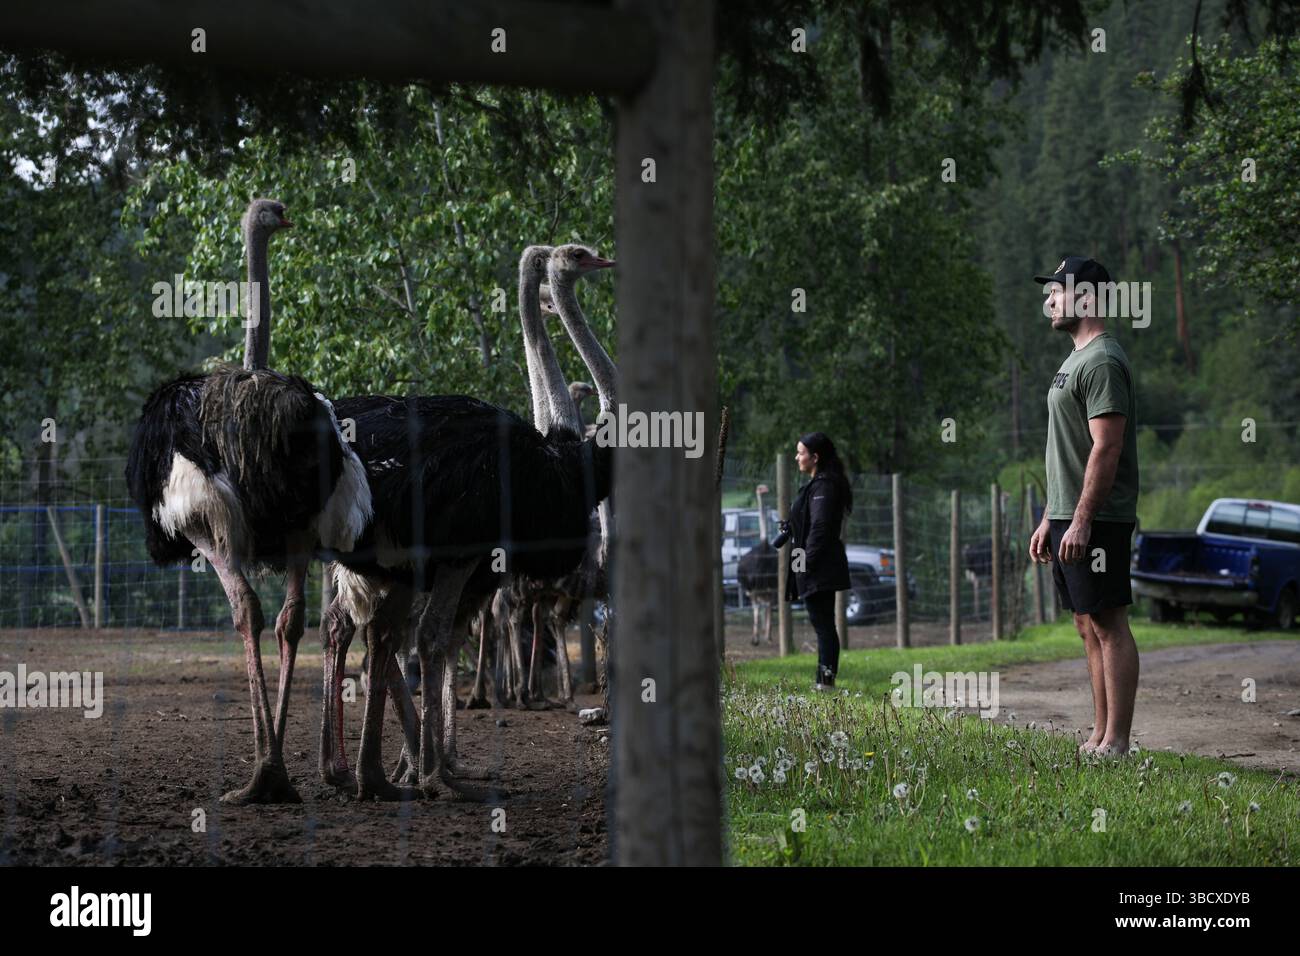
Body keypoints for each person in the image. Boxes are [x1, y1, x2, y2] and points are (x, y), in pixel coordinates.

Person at [1027, 256, 1141, 758]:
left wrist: (1080, 518)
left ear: (1087, 298)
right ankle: (1098, 732)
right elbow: (1068, 449)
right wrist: (1050, 517)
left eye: (1057, 291)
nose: (1048, 301)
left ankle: (1117, 739)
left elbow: (1106, 447)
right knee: (1085, 621)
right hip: (1066, 514)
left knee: (1109, 623)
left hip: (1098, 518)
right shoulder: (1075, 360)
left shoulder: (1102, 361)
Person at [780, 431, 852, 690]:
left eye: (801, 452)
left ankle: (826, 682)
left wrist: (805, 563)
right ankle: (824, 680)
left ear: (815, 457)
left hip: (817, 565)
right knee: (823, 623)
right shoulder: (820, 484)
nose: (797, 457)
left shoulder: (824, 486)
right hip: (813, 562)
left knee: (823, 625)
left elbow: (820, 527)